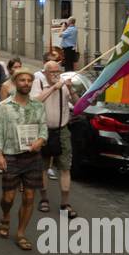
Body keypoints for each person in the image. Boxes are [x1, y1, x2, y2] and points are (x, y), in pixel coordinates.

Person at [0, 68, 47, 251]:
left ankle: (21, 233)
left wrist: (40, 140)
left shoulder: (38, 106)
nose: (26, 83)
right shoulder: (4, 107)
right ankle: (6, 215)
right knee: (8, 197)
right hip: (11, 155)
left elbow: (44, 129)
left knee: (29, 197)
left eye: (29, 81)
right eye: (22, 80)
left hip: (32, 157)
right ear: (15, 83)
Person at [32, 58, 80, 218]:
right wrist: (53, 87)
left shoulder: (64, 85)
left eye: (57, 71)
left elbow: (78, 105)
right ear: (45, 73)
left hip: (62, 131)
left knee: (65, 168)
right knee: (43, 167)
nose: (55, 74)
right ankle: (44, 199)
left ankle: (65, 203)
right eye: (52, 72)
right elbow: (35, 102)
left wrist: (71, 90)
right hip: (43, 131)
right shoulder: (38, 83)